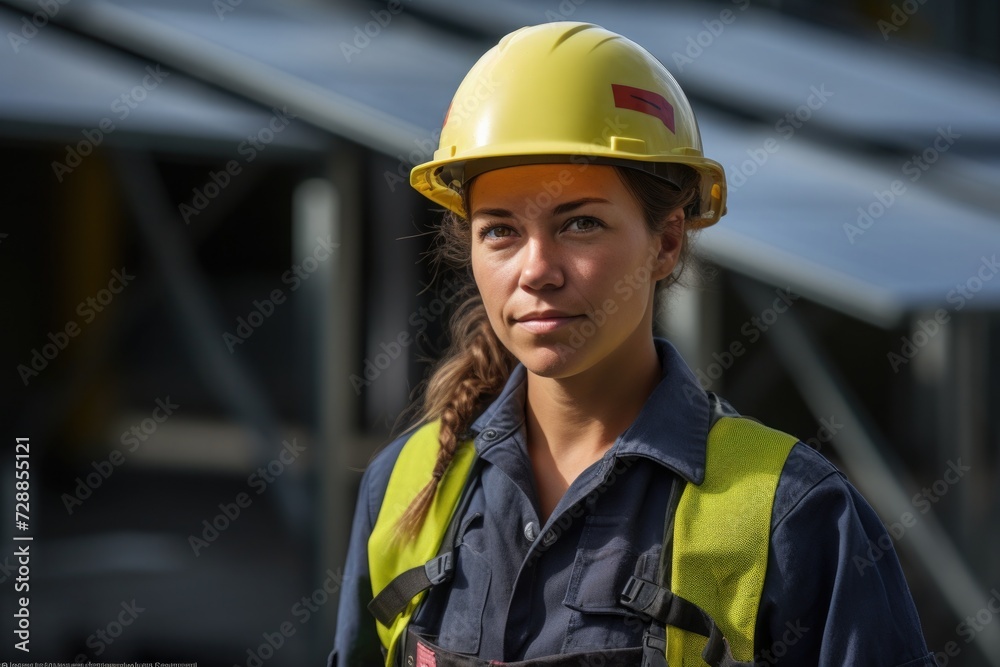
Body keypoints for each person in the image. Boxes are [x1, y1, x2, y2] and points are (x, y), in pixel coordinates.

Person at [329, 21, 934, 667]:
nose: (536, 270)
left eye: (581, 223)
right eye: (500, 231)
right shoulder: (404, 485)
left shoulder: (795, 516)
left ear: (667, 241)